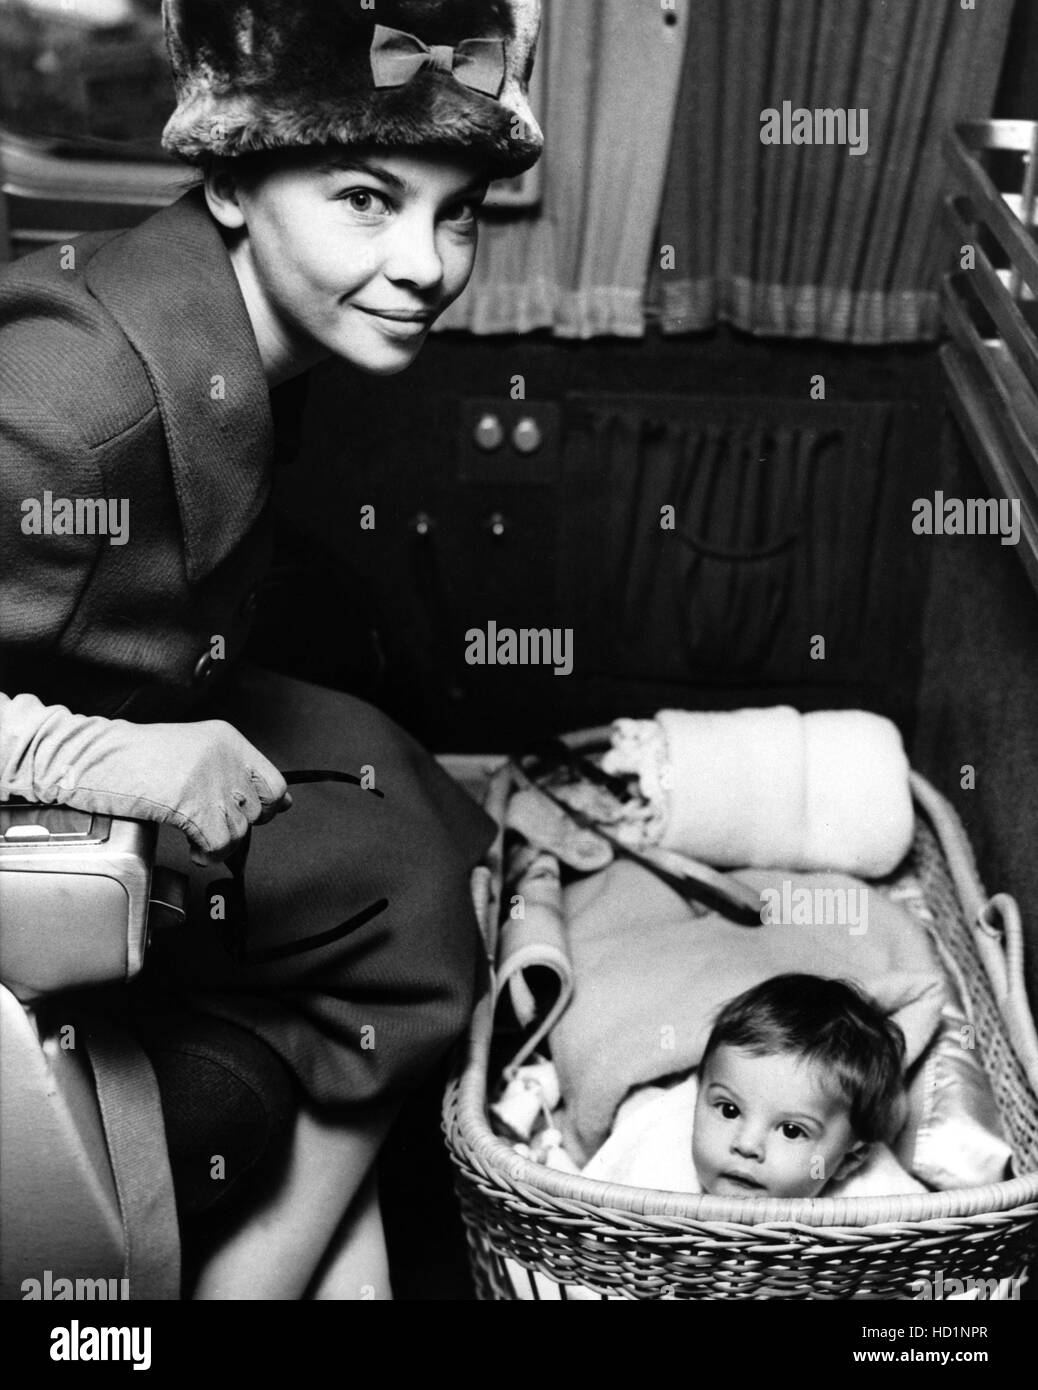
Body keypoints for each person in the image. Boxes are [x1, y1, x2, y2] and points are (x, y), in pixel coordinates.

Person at [0, 0, 544, 1297]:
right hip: (52, 794)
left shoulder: (235, 326)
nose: (423, 261)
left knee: (421, 807)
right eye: (367, 199)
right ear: (235, 184)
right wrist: (93, 758)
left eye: (453, 209)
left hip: (135, 713)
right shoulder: (73, 415)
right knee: (424, 895)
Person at [691, 974, 907, 1199]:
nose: (746, 1145)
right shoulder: (658, 1153)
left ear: (848, 1159)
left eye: (791, 1131)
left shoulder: (876, 1205)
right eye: (729, 1110)